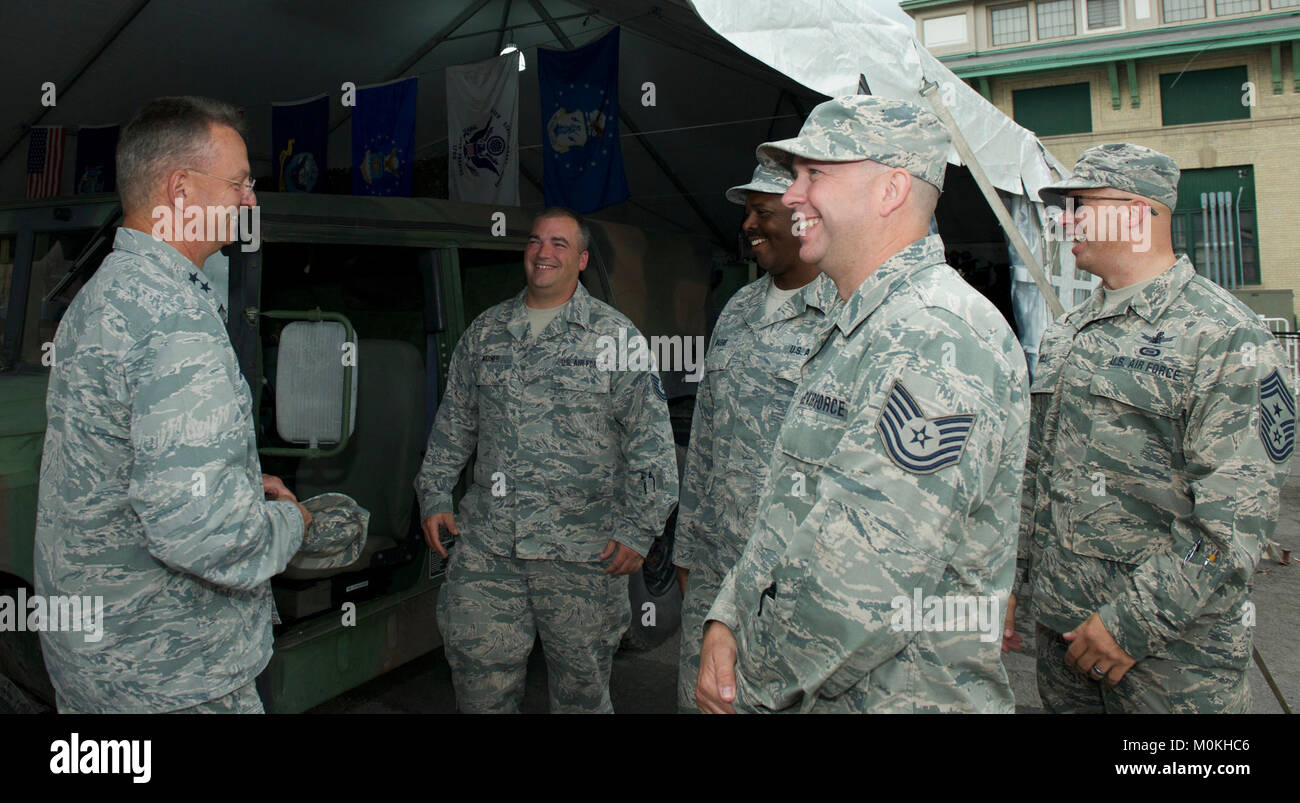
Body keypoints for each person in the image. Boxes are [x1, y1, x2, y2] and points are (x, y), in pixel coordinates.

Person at [695, 96, 1029, 713]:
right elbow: (791, 504)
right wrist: (727, 618)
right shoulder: (860, 323)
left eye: (814, 174)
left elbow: (869, 577)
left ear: (891, 189)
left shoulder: (937, 335)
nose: (792, 196)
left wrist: (752, 684)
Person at [34, 96, 312, 713]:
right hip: (172, 673)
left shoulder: (104, 292)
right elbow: (203, 534)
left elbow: (121, 462)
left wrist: (236, 479)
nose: (250, 202)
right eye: (239, 182)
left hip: (97, 658)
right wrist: (294, 523)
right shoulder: (175, 321)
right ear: (181, 190)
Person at [1007, 143, 1292, 713]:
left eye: (1080, 204)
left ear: (1136, 213)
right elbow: (1036, 474)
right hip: (1063, 636)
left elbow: (1232, 524)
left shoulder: (1226, 336)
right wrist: (1013, 583)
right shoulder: (1072, 330)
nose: (1064, 221)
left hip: (1172, 659)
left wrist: (1131, 625)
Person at [415, 208, 678, 713]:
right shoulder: (487, 332)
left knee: (580, 695)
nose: (543, 252)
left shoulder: (615, 338)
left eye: (559, 244)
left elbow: (651, 443)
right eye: (536, 241)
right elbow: (455, 423)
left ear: (581, 260)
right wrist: (434, 493)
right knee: (479, 687)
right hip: (489, 552)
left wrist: (640, 529)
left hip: (581, 554)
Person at [672, 164, 838, 712]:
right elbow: (706, 439)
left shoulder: (843, 314)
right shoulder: (738, 309)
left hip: (794, 578)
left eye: (761, 212)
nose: (747, 224)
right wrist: (688, 548)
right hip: (718, 566)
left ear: (801, 217)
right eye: (746, 212)